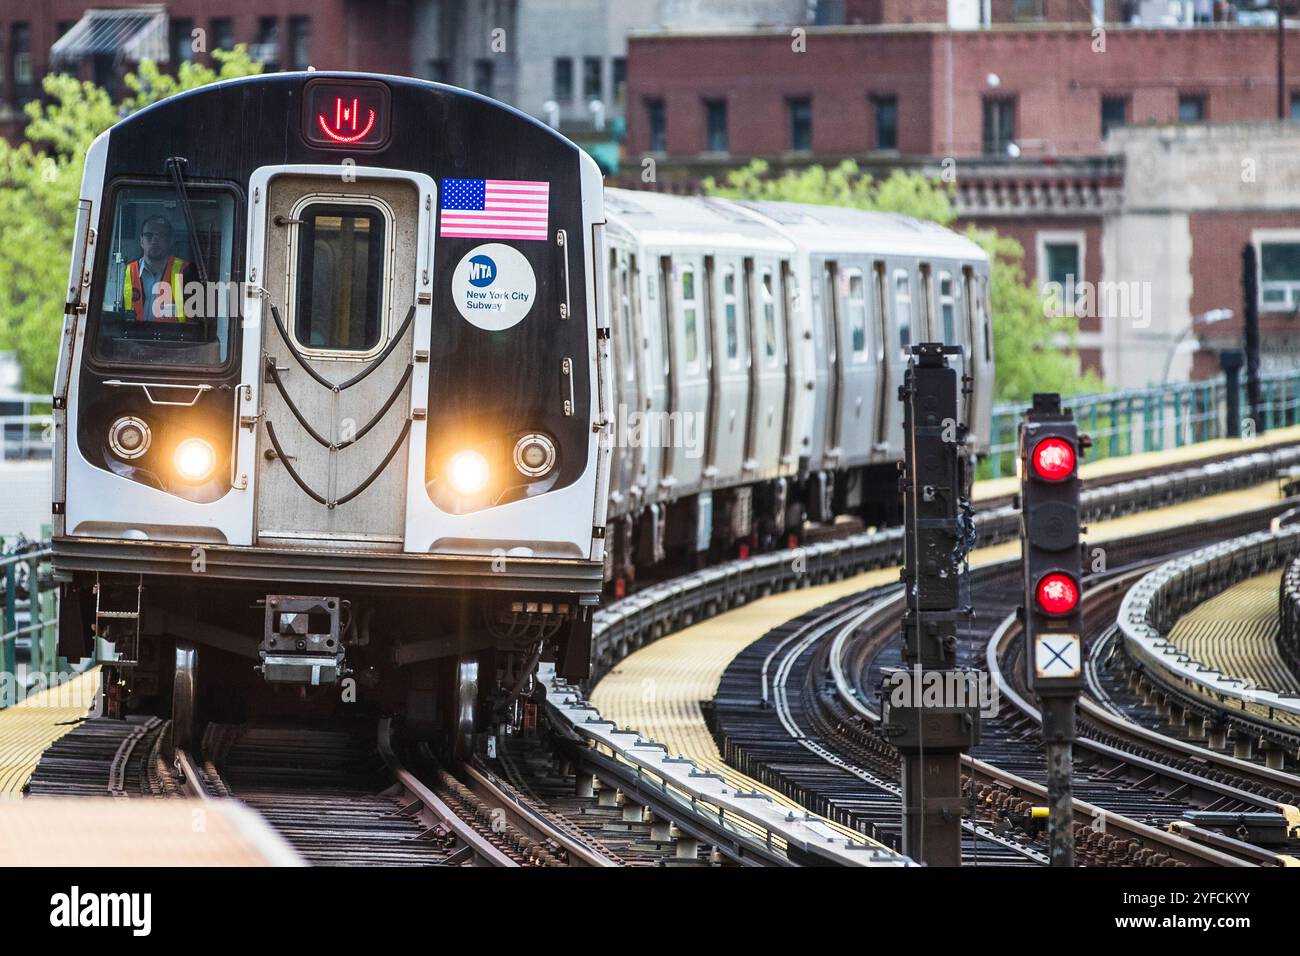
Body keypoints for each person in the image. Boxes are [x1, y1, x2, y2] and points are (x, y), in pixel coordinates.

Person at [123, 215, 190, 322]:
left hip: (173, 337)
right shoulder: (126, 272)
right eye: (149, 235)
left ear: (170, 241)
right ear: (141, 241)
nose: (154, 240)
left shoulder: (186, 271)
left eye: (161, 235)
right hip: (133, 336)